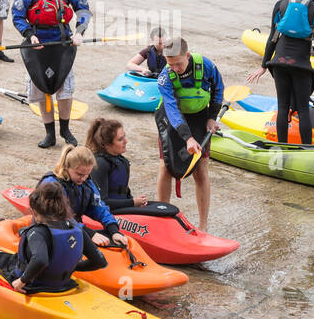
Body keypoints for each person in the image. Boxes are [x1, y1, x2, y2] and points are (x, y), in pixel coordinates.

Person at [12, 0, 91, 148]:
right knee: (41, 88)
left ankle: (65, 129)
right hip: (37, 45)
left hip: (62, 43)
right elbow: (18, 16)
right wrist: (29, 35)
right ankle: (50, 134)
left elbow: (83, 9)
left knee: (65, 90)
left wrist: (80, 32)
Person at [247, 0, 314, 145]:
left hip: (279, 62)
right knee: (302, 109)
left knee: (282, 106)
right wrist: (312, 51)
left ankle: (282, 147)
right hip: (301, 63)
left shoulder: (281, 4)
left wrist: (264, 65)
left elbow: (272, 38)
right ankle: (306, 148)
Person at [0, 181, 107, 293]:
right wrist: (69, 267)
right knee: (6, 258)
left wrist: (21, 282)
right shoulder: (77, 229)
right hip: (64, 285)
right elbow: (100, 261)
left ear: (34, 211)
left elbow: (40, 260)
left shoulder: (37, 232)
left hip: (33, 286)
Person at [154, 37, 223, 231]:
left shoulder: (206, 65)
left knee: (200, 170)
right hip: (173, 119)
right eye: (170, 64)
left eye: (179, 63)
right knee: (166, 167)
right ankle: (161, 219)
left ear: (188, 55)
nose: (175, 68)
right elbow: (172, 110)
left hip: (200, 117)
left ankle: (202, 226)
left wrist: (212, 117)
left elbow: (219, 89)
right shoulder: (165, 77)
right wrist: (188, 138)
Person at [37, 145, 127, 248]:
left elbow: (99, 207)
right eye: (79, 174)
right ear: (67, 166)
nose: (83, 178)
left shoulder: (87, 183)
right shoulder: (51, 185)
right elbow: (59, 218)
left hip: (76, 228)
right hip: (51, 230)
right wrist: (90, 233)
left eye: (87, 174)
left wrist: (113, 230)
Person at [88, 117, 151, 211]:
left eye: (124, 137)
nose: (126, 141)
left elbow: (124, 192)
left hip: (120, 210)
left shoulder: (122, 161)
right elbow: (101, 201)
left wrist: (136, 202)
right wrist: (132, 202)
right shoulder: (100, 164)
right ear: (106, 144)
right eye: (120, 139)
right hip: (105, 214)